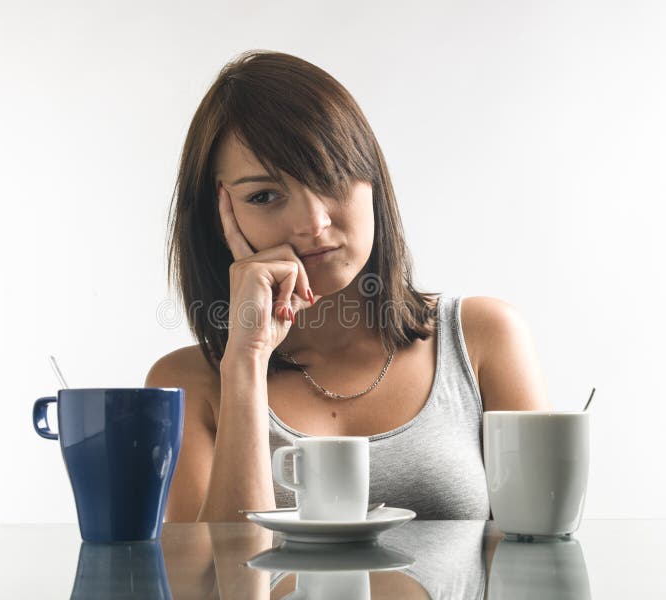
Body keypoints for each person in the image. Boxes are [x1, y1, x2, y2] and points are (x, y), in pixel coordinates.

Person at [145, 49, 550, 522]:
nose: (313, 223)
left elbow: (538, 555)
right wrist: (246, 363)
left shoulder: (483, 339)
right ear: (221, 219)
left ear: (372, 179)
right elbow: (213, 587)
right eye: (265, 196)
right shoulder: (185, 385)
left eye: (331, 176)